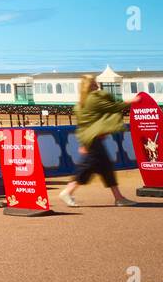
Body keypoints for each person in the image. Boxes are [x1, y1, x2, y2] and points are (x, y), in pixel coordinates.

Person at [58, 74, 138, 207]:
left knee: (106, 167)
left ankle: (119, 198)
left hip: (90, 138)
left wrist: (83, 143)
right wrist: (134, 101)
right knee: (87, 167)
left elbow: (84, 124)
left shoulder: (80, 103)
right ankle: (68, 191)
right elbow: (114, 107)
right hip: (93, 139)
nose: (98, 86)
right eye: (95, 84)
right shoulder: (93, 99)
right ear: (91, 86)